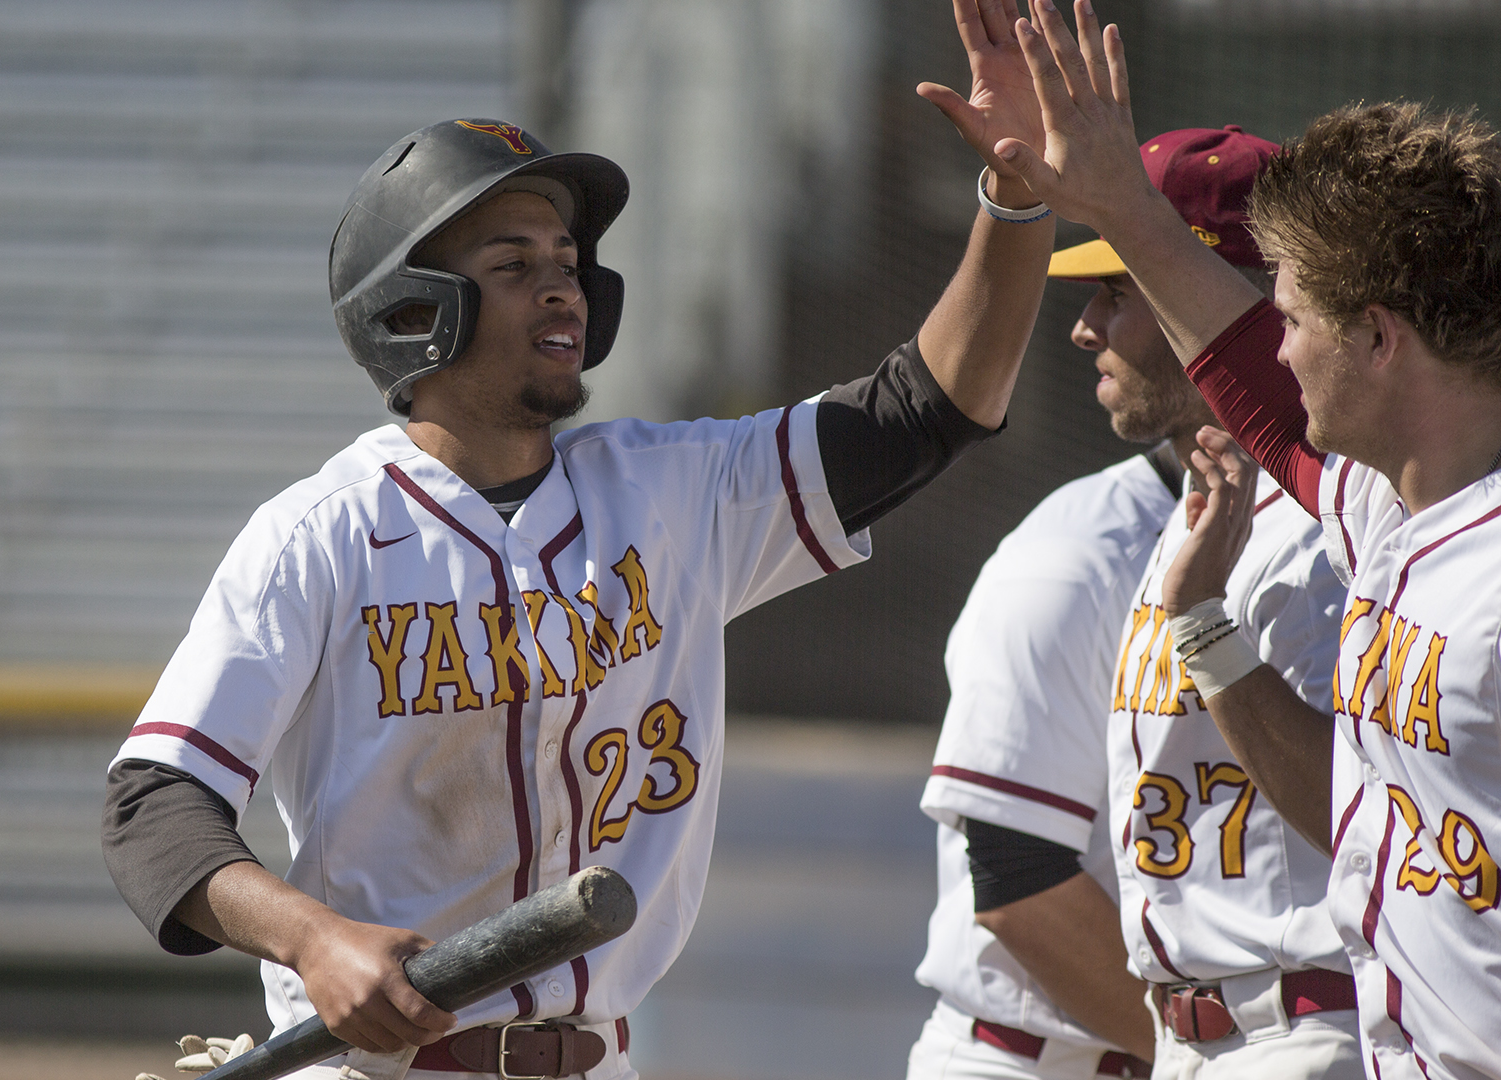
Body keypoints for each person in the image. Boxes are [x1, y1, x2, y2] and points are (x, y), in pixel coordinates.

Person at [102, 3, 1061, 1075]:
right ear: (415, 312)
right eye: (512, 262)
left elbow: (927, 411)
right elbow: (154, 805)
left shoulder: (672, 492)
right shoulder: (319, 539)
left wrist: (1015, 201)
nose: (561, 280)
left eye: (567, 255)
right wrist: (311, 938)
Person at [1000, 3, 1501, 1077]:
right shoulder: (1383, 511)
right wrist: (1124, 211)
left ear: (1377, 337)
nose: (1275, 338)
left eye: (1292, 311)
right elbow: (1251, 380)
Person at [908, 118, 1360, 1079]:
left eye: (1121, 288)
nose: (1082, 328)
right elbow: (1015, 876)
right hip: (1052, 1053)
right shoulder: (1085, 551)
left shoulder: (1363, 522)